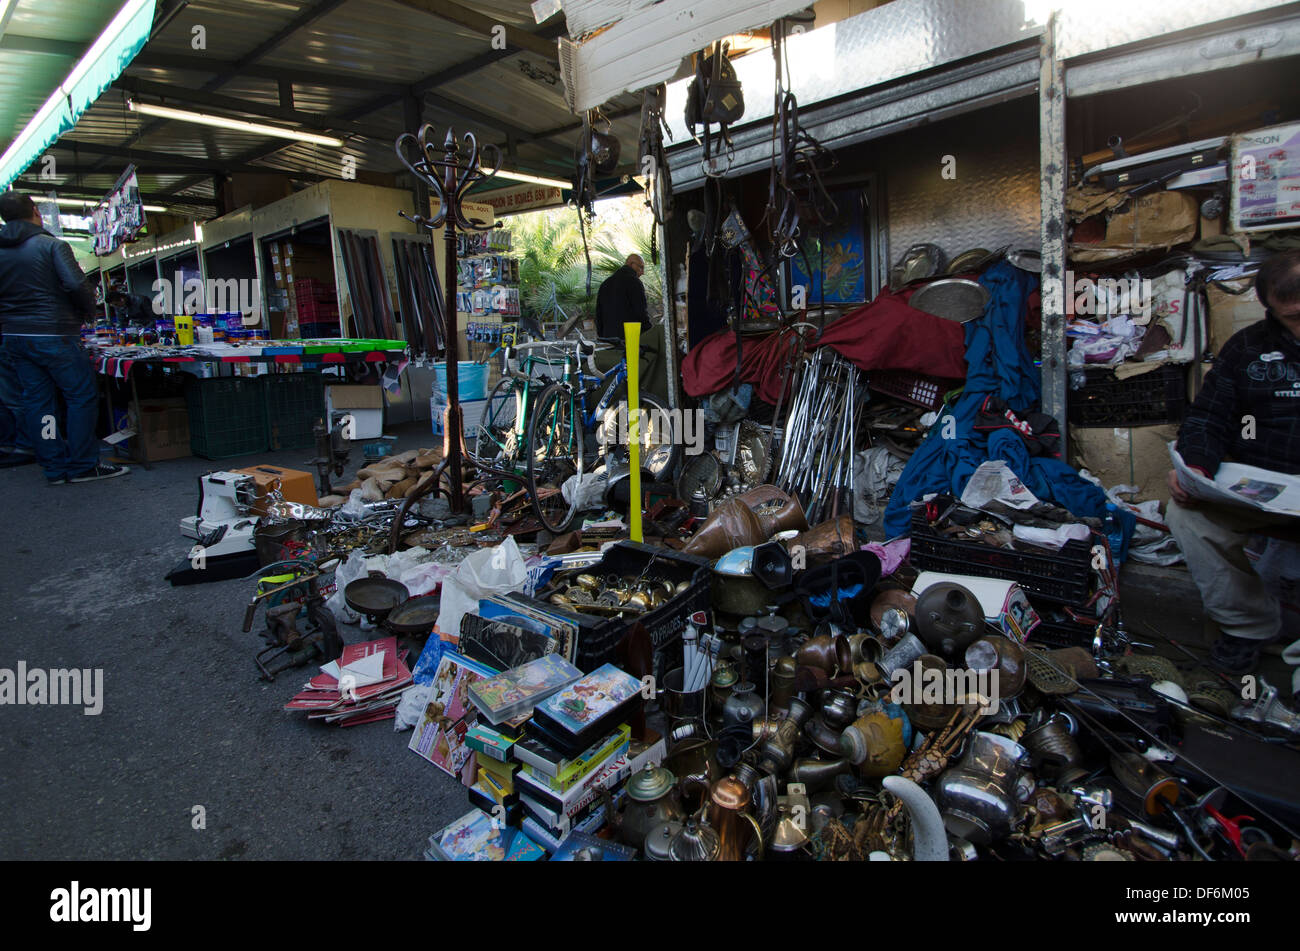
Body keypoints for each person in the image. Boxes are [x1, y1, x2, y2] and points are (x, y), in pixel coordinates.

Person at [1166, 249, 1300, 702]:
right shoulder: (1248, 348)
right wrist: (1195, 469)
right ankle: (1247, 625)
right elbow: (1208, 418)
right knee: (1187, 514)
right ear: (1271, 308)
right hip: (1261, 485)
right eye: (1292, 317)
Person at [0, 192, 127, 484]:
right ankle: (83, 465)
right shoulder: (51, 245)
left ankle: (54, 467)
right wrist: (88, 313)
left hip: (15, 337)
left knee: (38, 402)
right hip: (55, 334)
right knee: (80, 397)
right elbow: (75, 283)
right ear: (35, 211)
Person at [595, 253, 650, 342]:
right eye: (641, 267)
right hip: (630, 337)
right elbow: (640, 311)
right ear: (632, 264)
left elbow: (599, 314)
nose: (643, 272)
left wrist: (603, 337)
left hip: (609, 338)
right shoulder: (634, 282)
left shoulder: (605, 283)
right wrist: (649, 330)